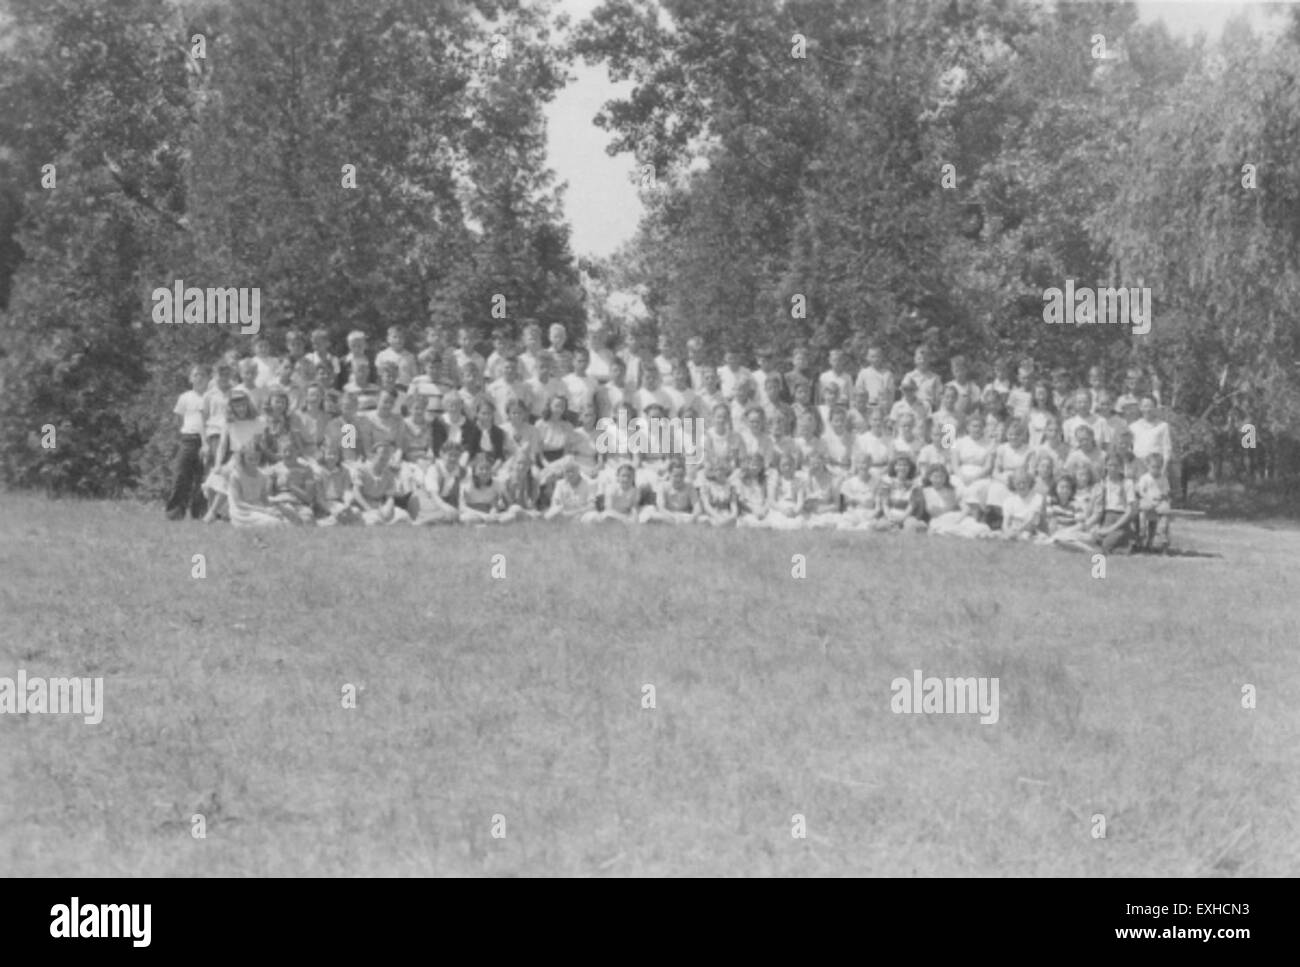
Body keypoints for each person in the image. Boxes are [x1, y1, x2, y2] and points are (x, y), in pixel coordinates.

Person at [202, 386, 265, 523]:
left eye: (243, 405)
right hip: (235, 457)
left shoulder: (257, 421)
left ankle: (212, 513)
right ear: (232, 407)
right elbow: (222, 445)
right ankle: (216, 513)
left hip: (251, 458)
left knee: (229, 476)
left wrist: (244, 458)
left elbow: (257, 446)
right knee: (214, 476)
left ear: (247, 404)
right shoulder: (228, 422)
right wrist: (218, 464)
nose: (241, 409)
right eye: (237, 406)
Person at [166, 364, 210, 521]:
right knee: (181, 475)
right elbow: (178, 420)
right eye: (196, 375)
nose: (199, 378)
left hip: (207, 440)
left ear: (208, 378)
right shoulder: (184, 397)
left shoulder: (211, 396)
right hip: (188, 439)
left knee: (203, 478)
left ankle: (199, 513)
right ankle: (175, 513)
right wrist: (184, 434)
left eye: (202, 375)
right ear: (191, 378)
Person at [227, 446, 291, 528]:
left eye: (256, 458)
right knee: (274, 523)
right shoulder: (236, 476)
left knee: (285, 519)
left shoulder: (262, 476)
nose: (254, 462)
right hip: (243, 512)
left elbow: (264, 499)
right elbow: (239, 503)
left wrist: (272, 509)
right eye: (250, 459)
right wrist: (264, 511)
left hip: (258, 507)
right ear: (243, 458)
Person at [1089, 453, 1137, 553]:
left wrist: (1111, 528)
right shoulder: (1103, 483)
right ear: (1106, 466)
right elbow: (1098, 505)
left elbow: (1129, 510)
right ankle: (1122, 546)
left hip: (1121, 519)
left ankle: (1126, 544)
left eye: (1116, 465)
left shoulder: (1127, 483)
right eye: (1110, 465)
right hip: (1106, 517)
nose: (1113, 468)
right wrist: (1098, 524)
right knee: (1093, 539)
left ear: (1121, 467)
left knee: (1106, 545)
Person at [350, 441, 408, 525]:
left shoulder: (389, 474)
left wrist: (388, 509)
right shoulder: (361, 470)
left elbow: (390, 497)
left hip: (380, 506)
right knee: (374, 521)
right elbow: (357, 493)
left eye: (387, 455)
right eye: (382, 454)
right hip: (363, 506)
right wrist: (369, 509)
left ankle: (386, 523)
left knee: (404, 516)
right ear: (373, 455)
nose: (385, 456)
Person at [875, 455, 925, 531]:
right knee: (881, 526)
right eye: (899, 465)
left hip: (907, 516)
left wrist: (901, 519)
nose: (902, 468)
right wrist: (889, 517)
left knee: (910, 527)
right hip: (890, 514)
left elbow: (911, 507)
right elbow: (885, 504)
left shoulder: (915, 486)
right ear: (894, 467)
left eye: (905, 465)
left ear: (910, 468)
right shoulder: (887, 483)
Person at [640, 458, 698, 523]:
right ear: (669, 474)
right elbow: (661, 508)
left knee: (704, 519)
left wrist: (694, 517)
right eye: (676, 476)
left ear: (684, 475)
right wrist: (673, 517)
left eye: (681, 476)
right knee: (651, 516)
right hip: (668, 515)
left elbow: (697, 506)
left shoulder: (689, 486)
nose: (679, 479)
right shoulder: (663, 486)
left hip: (685, 515)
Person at [1136, 452, 1172, 551]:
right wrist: (1148, 498)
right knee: (1142, 510)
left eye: (1158, 467)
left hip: (1159, 501)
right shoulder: (1145, 478)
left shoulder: (1163, 478)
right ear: (1148, 466)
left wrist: (1162, 496)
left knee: (1165, 510)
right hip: (1147, 500)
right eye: (1153, 467)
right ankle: (1142, 531)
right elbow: (1141, 491)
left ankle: (1161, 533)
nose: (1156, 470)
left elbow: (1166, 490)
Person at [459, 453, 509, 524]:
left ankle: (490, 523)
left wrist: (493, 514)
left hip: (491, 514)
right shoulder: (466, 484)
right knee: (464, 518)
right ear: (475, 471)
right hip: (473, 514)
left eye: (487, 468)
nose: (484, 472)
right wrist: (484, 516)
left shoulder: (497, 483)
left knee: (514, 511)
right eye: (481, 469)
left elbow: (497, 505)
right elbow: (462, 507)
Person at [999, 470, 1043, 541]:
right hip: (1013, 529)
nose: (1021, 486)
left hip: (1029, 530)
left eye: (1024, 482)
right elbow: (1005, 522)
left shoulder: (1038, 498)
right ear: (1013, 484)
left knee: (1025, 536)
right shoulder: (1008, 501)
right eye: (1018, 483)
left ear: (1029, 483)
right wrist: (1007, 531)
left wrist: (1018, 531)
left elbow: (1033, 522)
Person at [696, 457, 738, 526]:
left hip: (726, 514)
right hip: (711, 514)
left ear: (726, 471)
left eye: (722, 469)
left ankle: (723, 523)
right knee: (703, 520)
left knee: (734, 521)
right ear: (713, 472)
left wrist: (732, 516)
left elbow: (733, 505)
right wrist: (718, 517)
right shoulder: (707, 486)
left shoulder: (731, 487)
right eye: (717, 470)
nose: (720, 472)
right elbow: (707, 506)